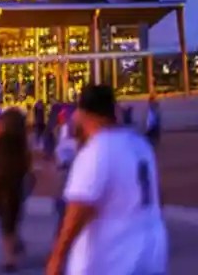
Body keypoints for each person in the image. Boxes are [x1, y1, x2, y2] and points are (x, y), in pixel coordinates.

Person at [46, 85, 166, 275]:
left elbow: (78, 210)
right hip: (150, 254)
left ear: (83, 113)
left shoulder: (97, 151)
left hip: (111, 260)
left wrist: (57, 257)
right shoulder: (140, 145)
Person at [0, 109, 30, 273]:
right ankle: (14, 241)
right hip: (12, 181)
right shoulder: (18, 140)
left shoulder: (4, 141)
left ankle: (9, 257)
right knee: (10, 215)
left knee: (6, 218)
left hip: (5, 182)